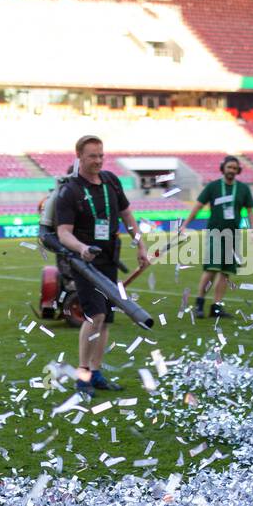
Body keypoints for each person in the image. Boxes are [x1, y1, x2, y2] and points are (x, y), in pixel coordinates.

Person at [55, 136, 149, 398]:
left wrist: (140, 244)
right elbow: (63, 233)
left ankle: (96, 373)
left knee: (105, 318)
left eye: (100, 155)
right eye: (92, 156)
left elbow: (127, 214)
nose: (97, 161)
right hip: (85, 262)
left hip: (109, 258)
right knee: (93, 316)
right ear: (79, 157)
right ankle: (82, 375)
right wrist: (82, 248)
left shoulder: (111, 181)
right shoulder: (70, 190)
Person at [177, 155, 253, 319]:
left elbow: (249, 211)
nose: (232, 171)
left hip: (233, 234)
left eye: (235, 168)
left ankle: (216, 307)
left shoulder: (243, 189)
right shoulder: (213, 187)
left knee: (226, 272)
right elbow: (198, 206)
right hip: (216, 232)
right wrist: (185, 224)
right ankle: (200, 303)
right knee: (211, 269)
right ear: (223, 168)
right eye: (229, 167)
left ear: (238, 171)